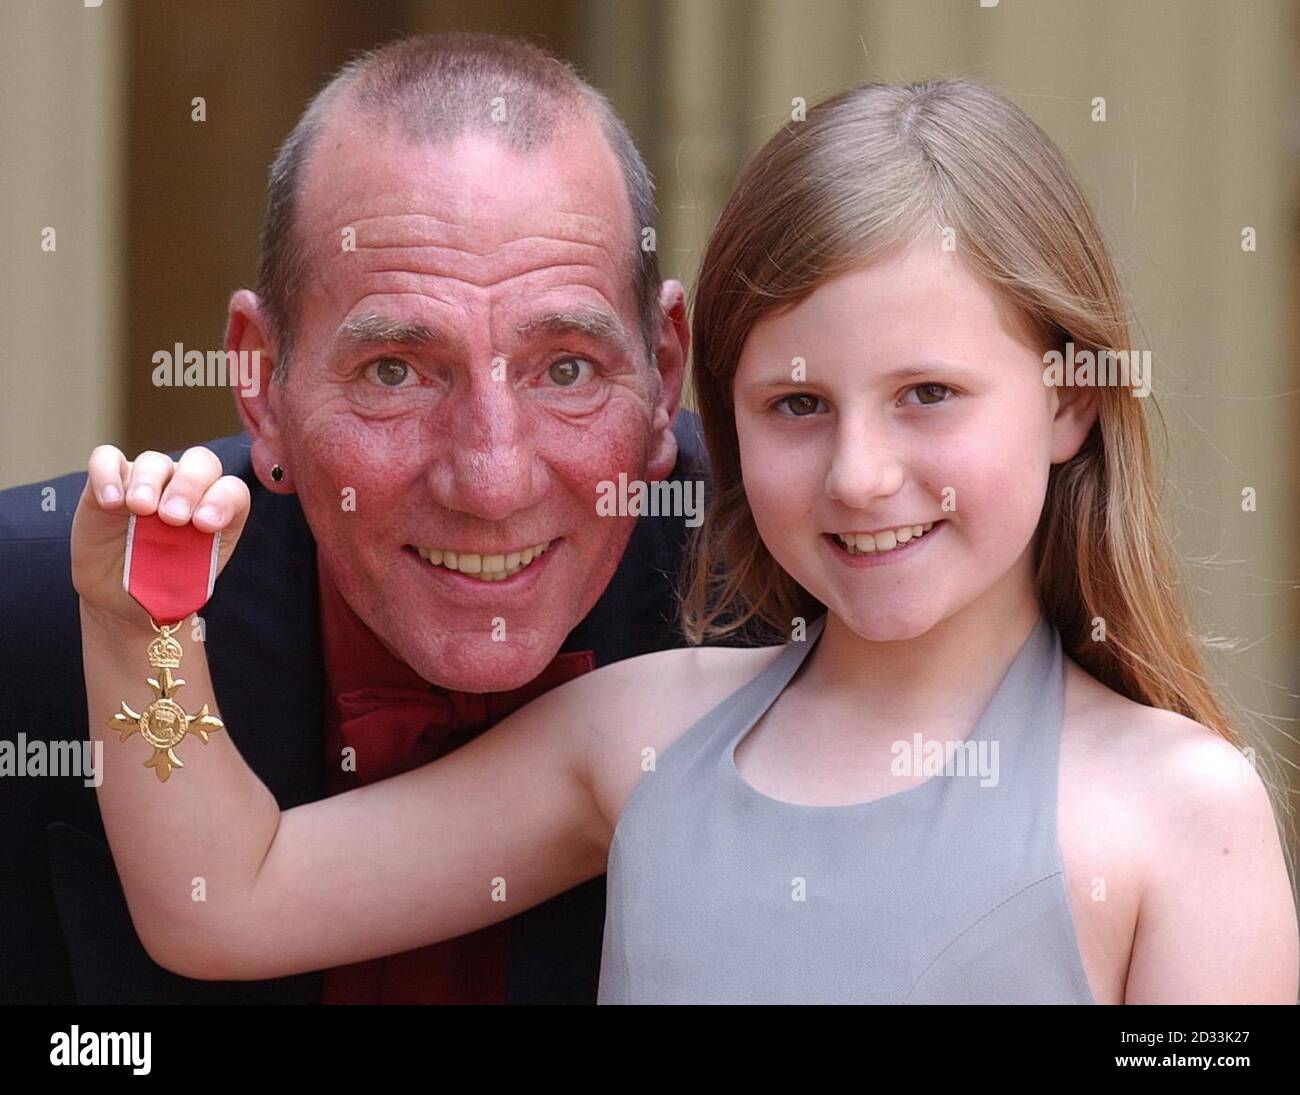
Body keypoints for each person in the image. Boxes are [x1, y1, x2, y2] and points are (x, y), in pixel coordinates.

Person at [72, 78, 1299, 1004]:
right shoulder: (636, 737)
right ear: (706, 405)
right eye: (796, 406)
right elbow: (223, 900)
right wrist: (142, 627)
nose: (863, 475)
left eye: (929, 394)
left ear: (1070, 399)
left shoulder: (1186, 813)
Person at [0, 33, 709, 1004]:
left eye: (566, 369)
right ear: (261, 379)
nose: (491, 480)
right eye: (394, 372)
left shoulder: (806, 603)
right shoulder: (34, 621)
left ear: (664, 371)